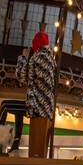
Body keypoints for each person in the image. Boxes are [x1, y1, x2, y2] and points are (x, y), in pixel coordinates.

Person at [15, 30, 57, 158]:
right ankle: (14, 146)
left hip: (37, 107)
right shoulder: (52, 60)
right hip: (48, 109)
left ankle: (11, 144)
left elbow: (21, 76)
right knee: (42, 149)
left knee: (6, 106)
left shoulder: (37, 58)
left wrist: (23, 57)